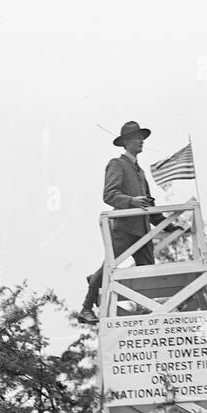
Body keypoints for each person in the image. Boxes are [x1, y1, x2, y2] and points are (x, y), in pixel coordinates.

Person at [75, 120, 162, 324]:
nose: (141, 141)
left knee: (148, 273)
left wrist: (166, 222)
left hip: (143, 231)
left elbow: (148, 202)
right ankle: (86, 308)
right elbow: (109, 195)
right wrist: (131, 201)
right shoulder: (117, 164)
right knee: (110, 267)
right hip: (125, 229)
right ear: (126, 142)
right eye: (136, 138)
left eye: (142, 137)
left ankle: (148, 317)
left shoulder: (139, 171)